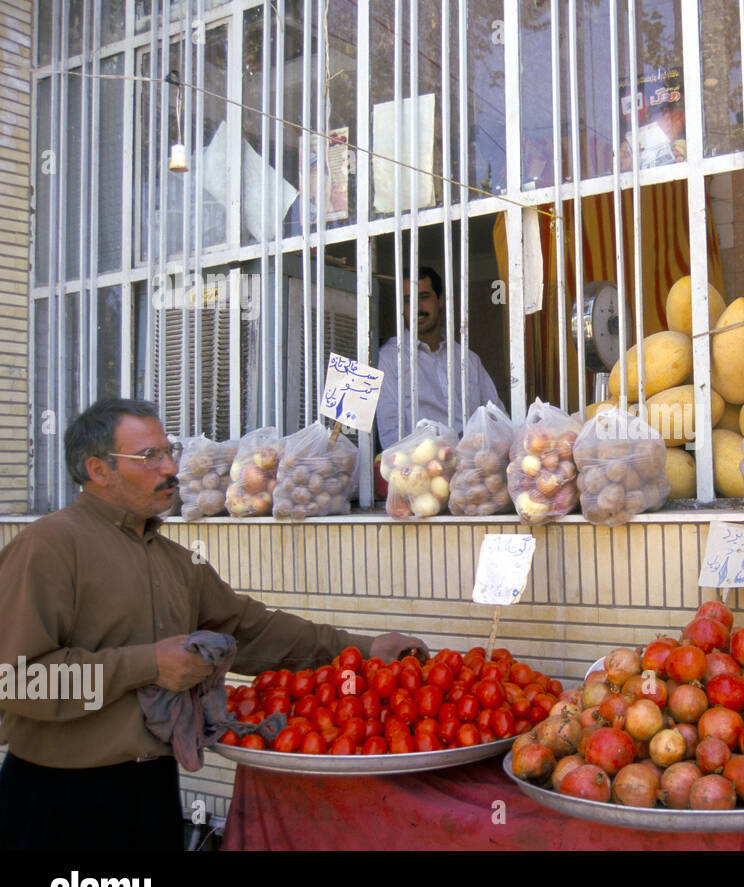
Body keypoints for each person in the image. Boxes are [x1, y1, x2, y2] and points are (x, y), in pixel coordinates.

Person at [0, 398, 425, 851]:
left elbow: (253, 630)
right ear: (98, 470)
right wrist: (146, 666)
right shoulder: (47, 547)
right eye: (150, 457)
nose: (171, 468)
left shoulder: (176, 561)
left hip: (152, 790)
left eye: (170, 451)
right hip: (61, 800)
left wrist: (361, 649)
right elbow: (18, 680)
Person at [375, 266, 505, 450]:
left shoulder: (467, 359)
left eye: (424, 297)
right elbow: (391, 435)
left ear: (441, 300)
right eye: (407, 300)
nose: (417, 308)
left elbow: (497, 417)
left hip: (472, 467)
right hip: (423, 468)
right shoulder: (389, 358)